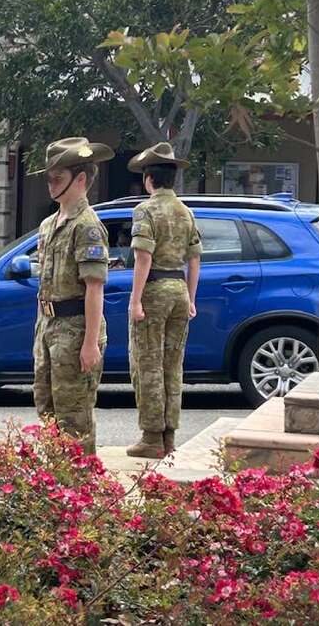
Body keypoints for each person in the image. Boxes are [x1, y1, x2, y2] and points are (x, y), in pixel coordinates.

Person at [30, 136, 115, 455]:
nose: (51, 184)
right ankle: (56, 488)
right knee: (47, 412)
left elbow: (94, 287)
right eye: (49, 177)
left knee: (74, 418)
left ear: (80, 179)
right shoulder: (49, 224)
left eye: (58, 178)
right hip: (49, 328)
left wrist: (91, 342)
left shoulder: (87, 226)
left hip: (77, 328)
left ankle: (80, 491)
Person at [125, 142, 202, 459]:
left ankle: (151, 437)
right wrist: (191, 298)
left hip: (155, 289)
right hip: (179, 290)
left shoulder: (145, 210)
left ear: (148, 179)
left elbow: (143, 258)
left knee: (148, 365)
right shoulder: (186, 212)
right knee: (173, 365)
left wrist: (135, 300)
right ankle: (169, 435)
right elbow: (195, 260)